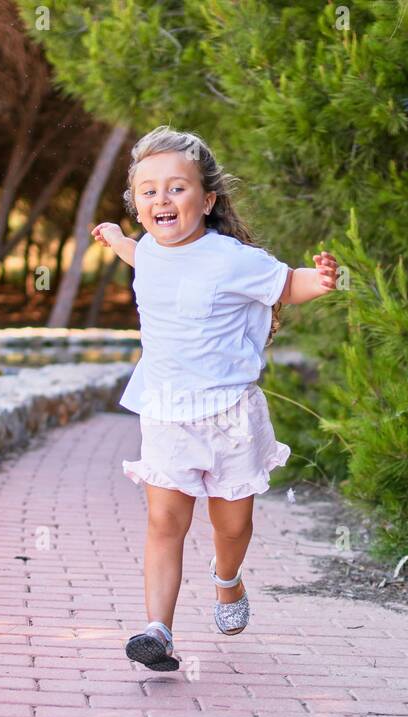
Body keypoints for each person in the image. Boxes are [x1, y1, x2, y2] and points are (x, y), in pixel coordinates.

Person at [91, 125, 339, 672]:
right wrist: (115, 240)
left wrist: (318, 283)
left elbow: (285, 284)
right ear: (137, 205)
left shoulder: (232, 259)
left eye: (176, 188)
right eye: (148, 190)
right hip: (166, 413)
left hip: (229, 416)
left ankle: (228, 578)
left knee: (231, 526)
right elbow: (143, 258)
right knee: (165, 522)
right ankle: (158, 631)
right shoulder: (150, 250)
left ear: (206, 199)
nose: (161, 199)